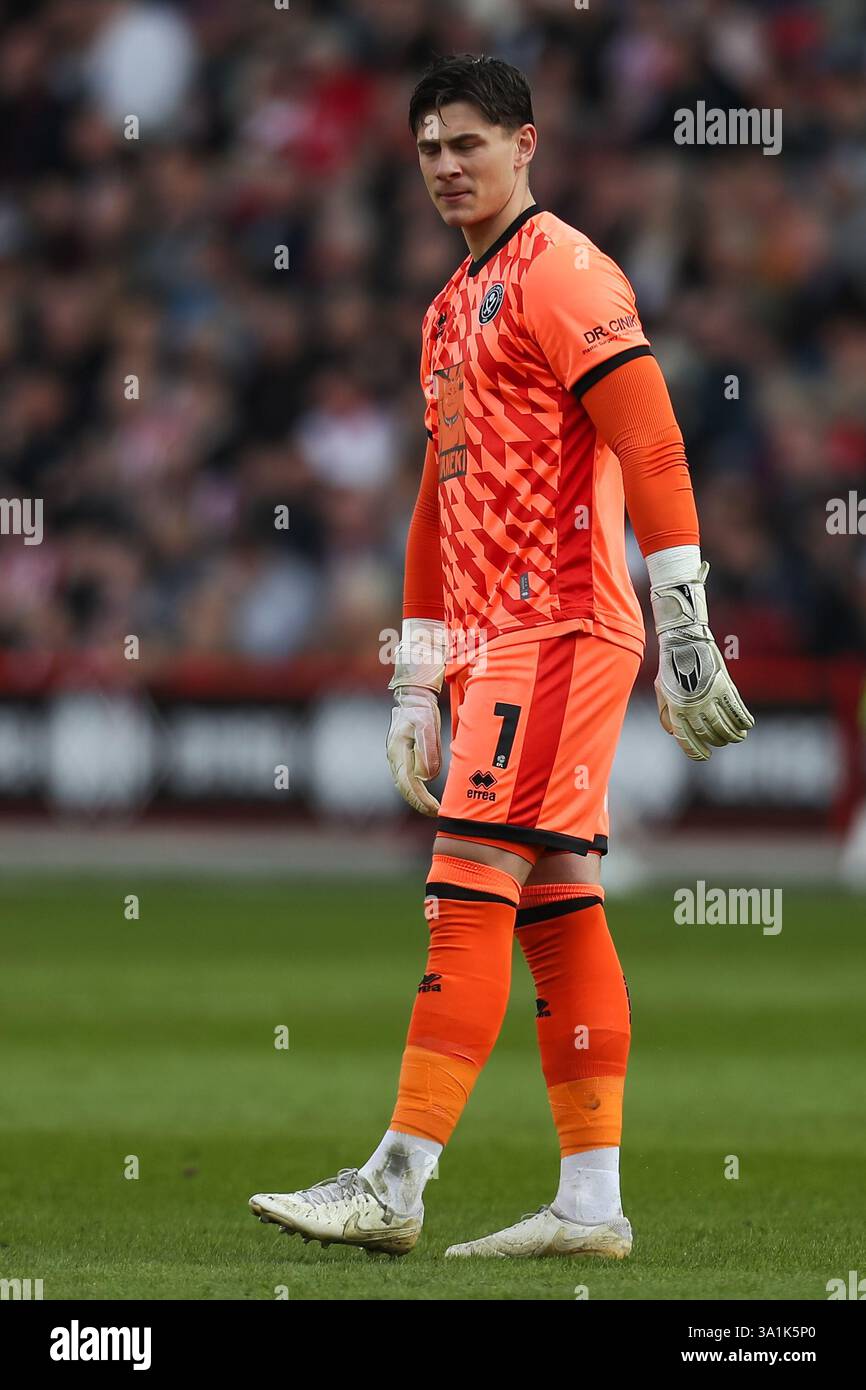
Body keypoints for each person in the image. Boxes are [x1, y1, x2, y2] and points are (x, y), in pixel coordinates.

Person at [249, 53, 753, 1260]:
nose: (442, 165)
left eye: (466, 142)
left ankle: (397, 1178)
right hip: (489, 644)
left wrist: (682, 611)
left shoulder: (563, 269)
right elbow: (435, 500)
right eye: (426, 147)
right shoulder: (444, 309)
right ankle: (589, 1204)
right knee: (557, 908)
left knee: (464, 881)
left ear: (525, 144)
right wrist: (418, 673)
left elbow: (650, 435)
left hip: (563, 624)